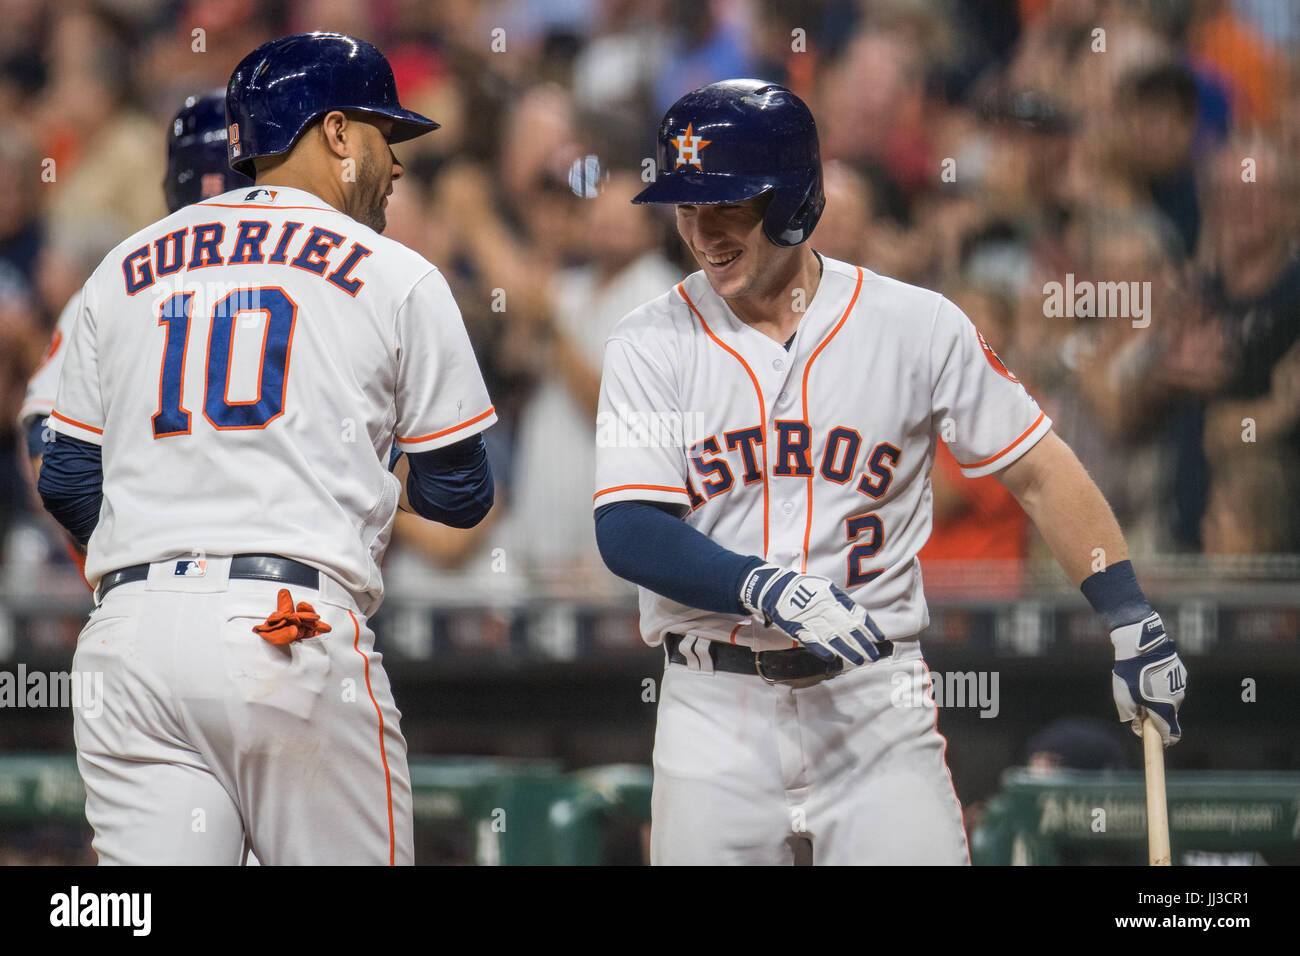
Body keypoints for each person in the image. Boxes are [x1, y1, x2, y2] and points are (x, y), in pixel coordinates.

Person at [592, 79, 1187, 865]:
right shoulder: (649, 341)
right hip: (713, 706)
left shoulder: (915, 325)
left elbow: (1042, 470)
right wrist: (765, 587)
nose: (703, 232)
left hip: (873, 700)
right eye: (686, 207)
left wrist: (1129, 616)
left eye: (727, 205)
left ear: (796, 200)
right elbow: (628, 529)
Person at [37, 32, 496, 865]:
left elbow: (67, 480)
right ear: (333, 134)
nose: (396, 165)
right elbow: (460, 495)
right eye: (383, 135)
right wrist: (336, 459)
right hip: (287, 632)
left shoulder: (124, 264)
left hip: (127, 643)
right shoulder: (397, 273)